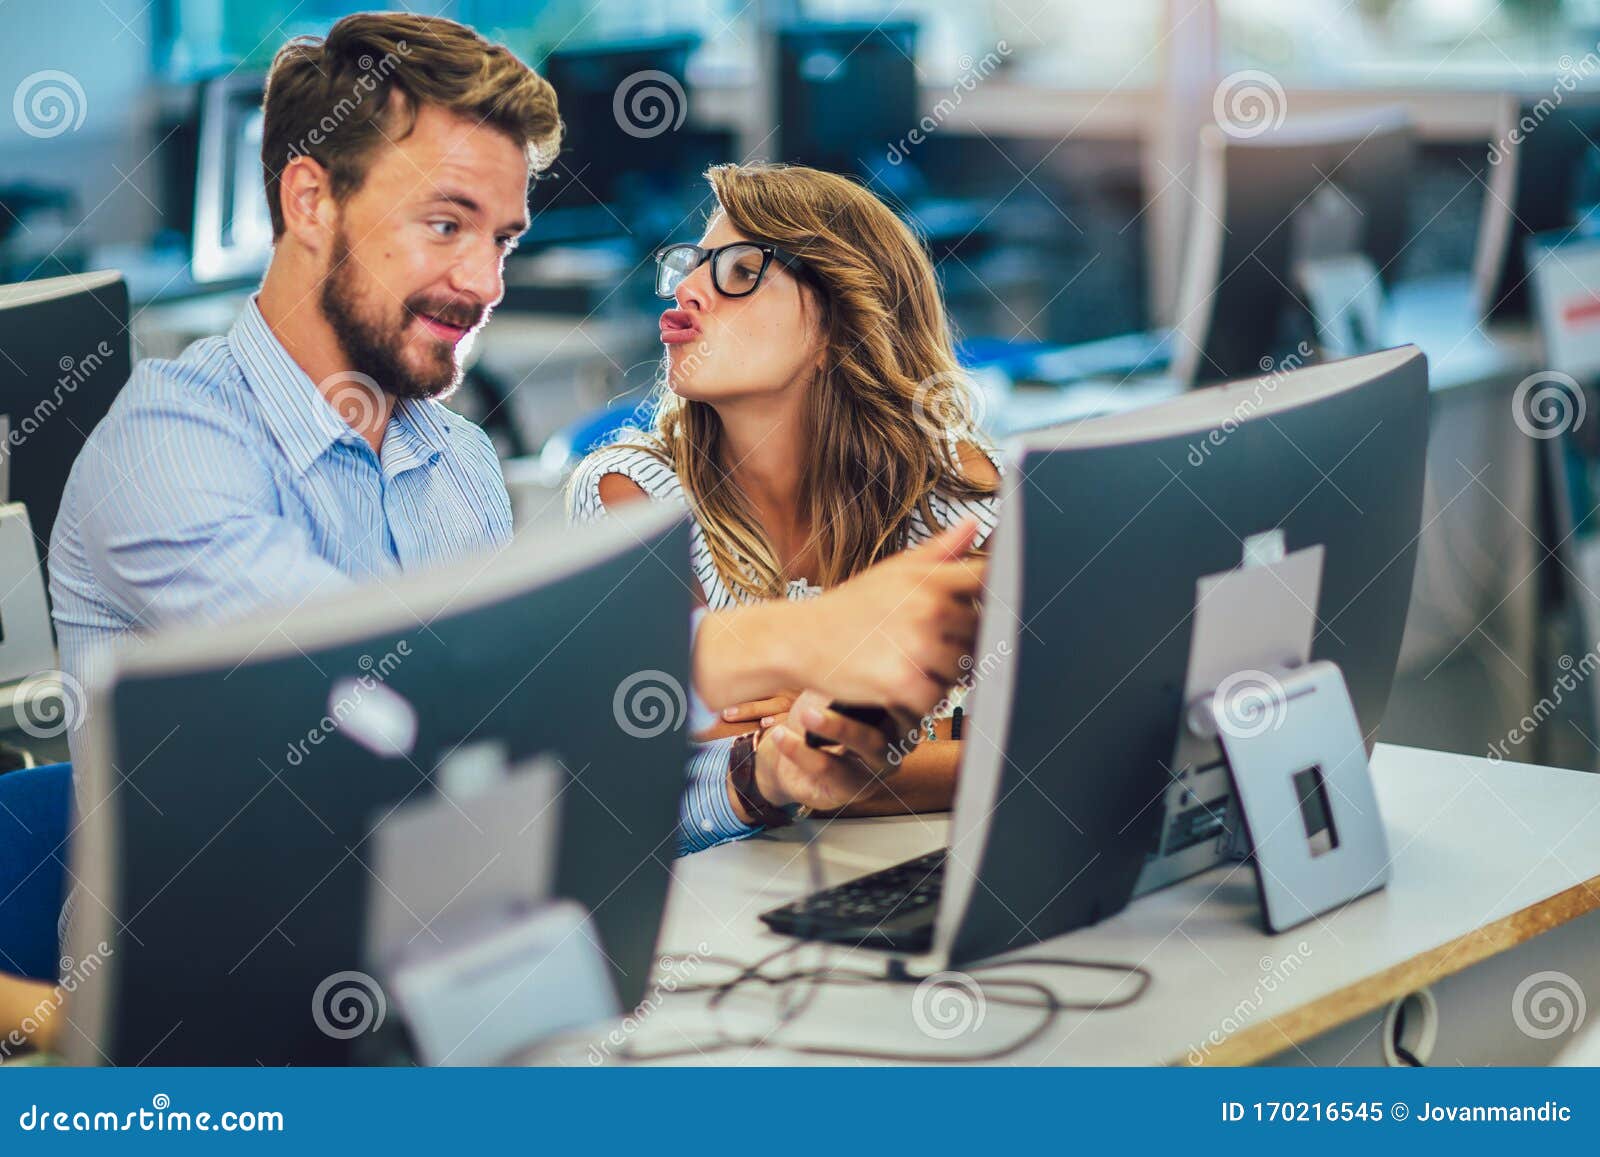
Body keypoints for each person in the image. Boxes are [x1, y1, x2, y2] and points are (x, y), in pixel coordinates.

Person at [47, 13, 984, 858]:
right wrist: (800, 636)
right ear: (310, 202)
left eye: (501, 239)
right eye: (445, 223)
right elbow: (376, 695)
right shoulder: (165, 442)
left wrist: (758, 776)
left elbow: (530, 769)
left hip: (447, 976)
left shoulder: (457, 468)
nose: (484, 283)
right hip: (227, 1019)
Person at [570, 162, 1001, 837]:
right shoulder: (631, 496)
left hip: (905, 867)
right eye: (690, 264)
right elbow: (662, 782)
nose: (685, 288)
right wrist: (934, 730)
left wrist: (832, 745)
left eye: (738, 270)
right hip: (722, 907)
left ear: (840, 325)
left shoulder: (961, 484)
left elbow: (1041, 737)